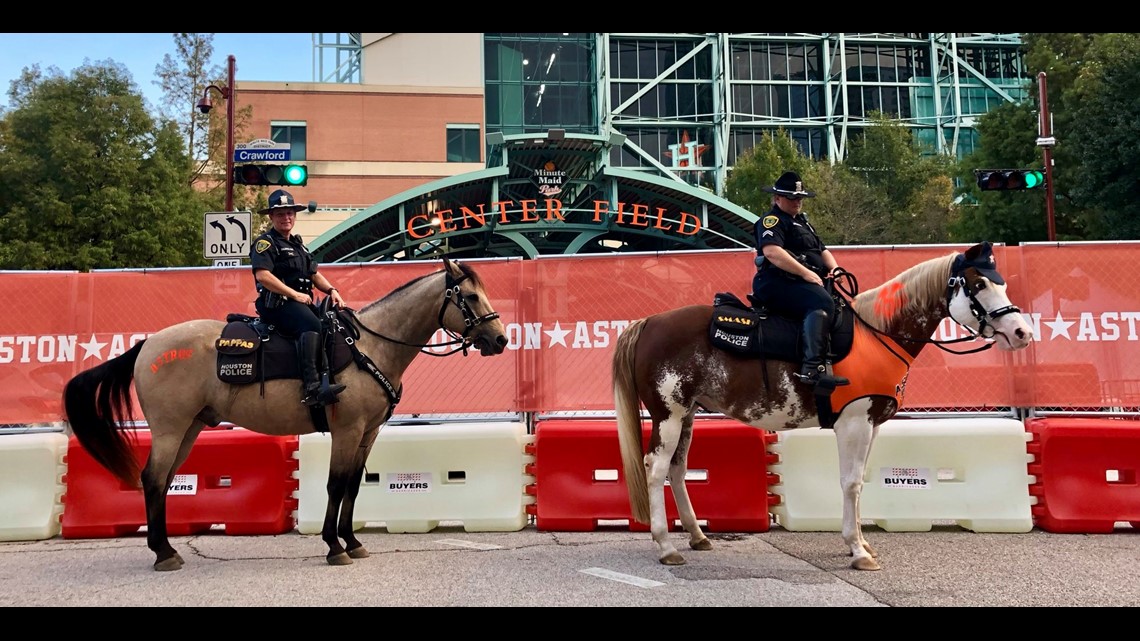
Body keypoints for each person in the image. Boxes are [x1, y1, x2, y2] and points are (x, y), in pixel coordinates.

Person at [751, 171, 849, 390]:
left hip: (803, 280)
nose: (797, 201)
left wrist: (836, 269)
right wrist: (805, 273)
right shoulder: (772, 221)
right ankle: (812, 369)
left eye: (799, 197)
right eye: (792, 197)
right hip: (777, 281)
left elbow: (822, 250)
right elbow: (772, 252)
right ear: (777, 198)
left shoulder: (803, 223)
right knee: (822, 302)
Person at [251, 189, 347, 407]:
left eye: (290, 213)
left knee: (330, 322)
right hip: (276, 304)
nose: (286, 218)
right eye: (280, 214)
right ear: (271, 217)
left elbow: (314, 274)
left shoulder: (298, 245)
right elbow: (263, 276)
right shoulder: (265, 243)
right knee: (311, 323)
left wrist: (332, 290)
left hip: (298, 302)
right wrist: (294, 294)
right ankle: (312, 387)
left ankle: (327, 376)